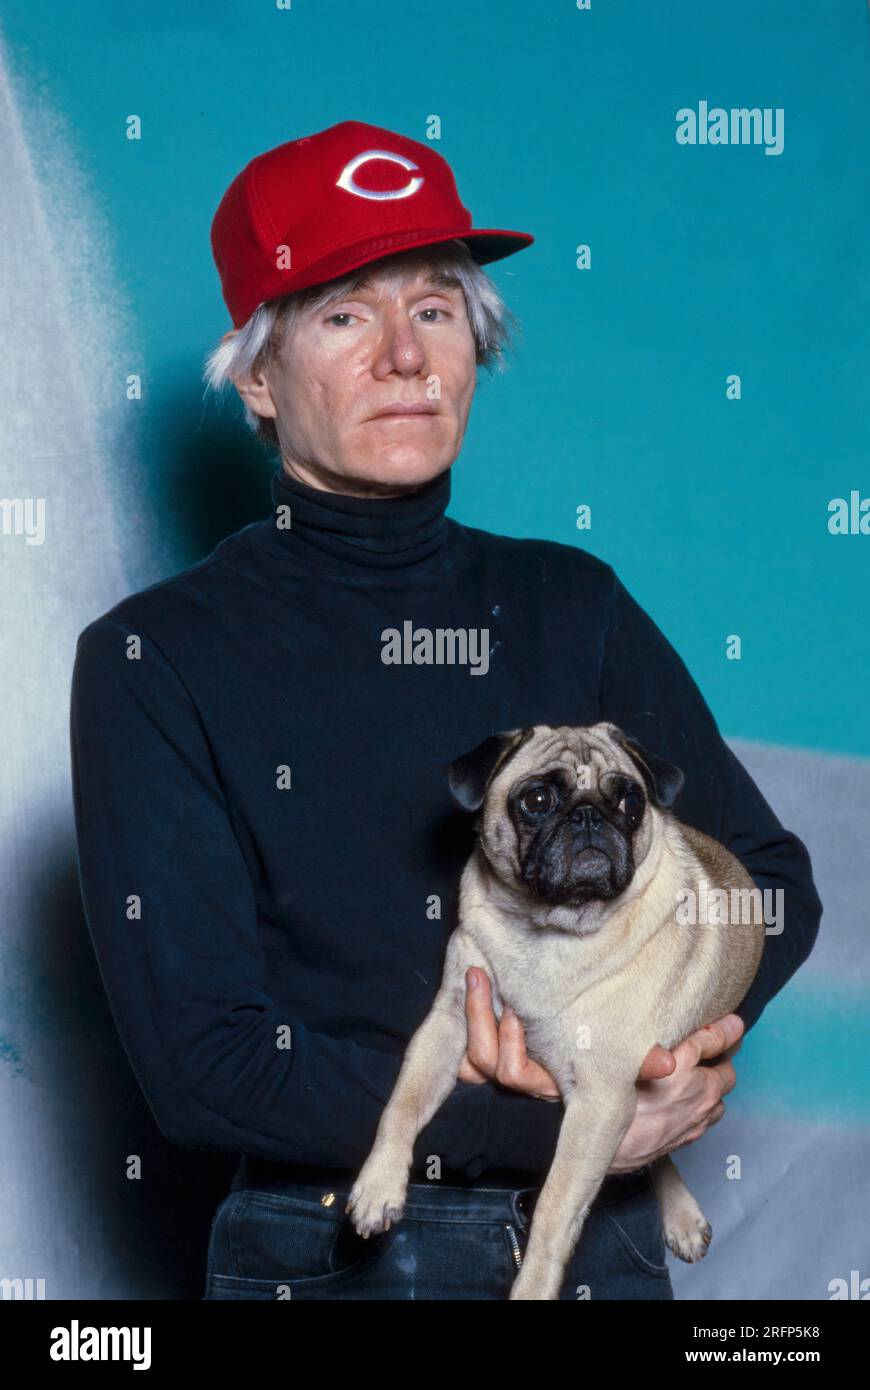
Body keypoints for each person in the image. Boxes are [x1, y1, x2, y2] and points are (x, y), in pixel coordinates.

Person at [69, 120, 823, 1301]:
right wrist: (580, 1122)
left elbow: (770, 877)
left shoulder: (573, 602)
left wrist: (671, 1034)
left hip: (594, 1254)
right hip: (332, 1254)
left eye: (434, 308)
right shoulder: (156, 657)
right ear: (259, 377)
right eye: (342, 313)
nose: (405, 356)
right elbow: (204, 1068)